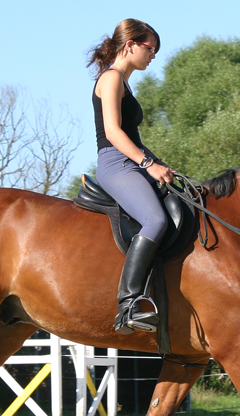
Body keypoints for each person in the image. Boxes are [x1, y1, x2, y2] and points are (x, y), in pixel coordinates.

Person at [87, 19, 176, 335]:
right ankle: (127, 305)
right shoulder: (111, 79)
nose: (154, 55)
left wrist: (160, 165)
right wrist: (148, 163)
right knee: (156, 221)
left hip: (133, 160)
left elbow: (132, 137)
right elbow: (112, 133)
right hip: (116, 164)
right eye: (151, 48)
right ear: (131, 45)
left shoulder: (124, 82)